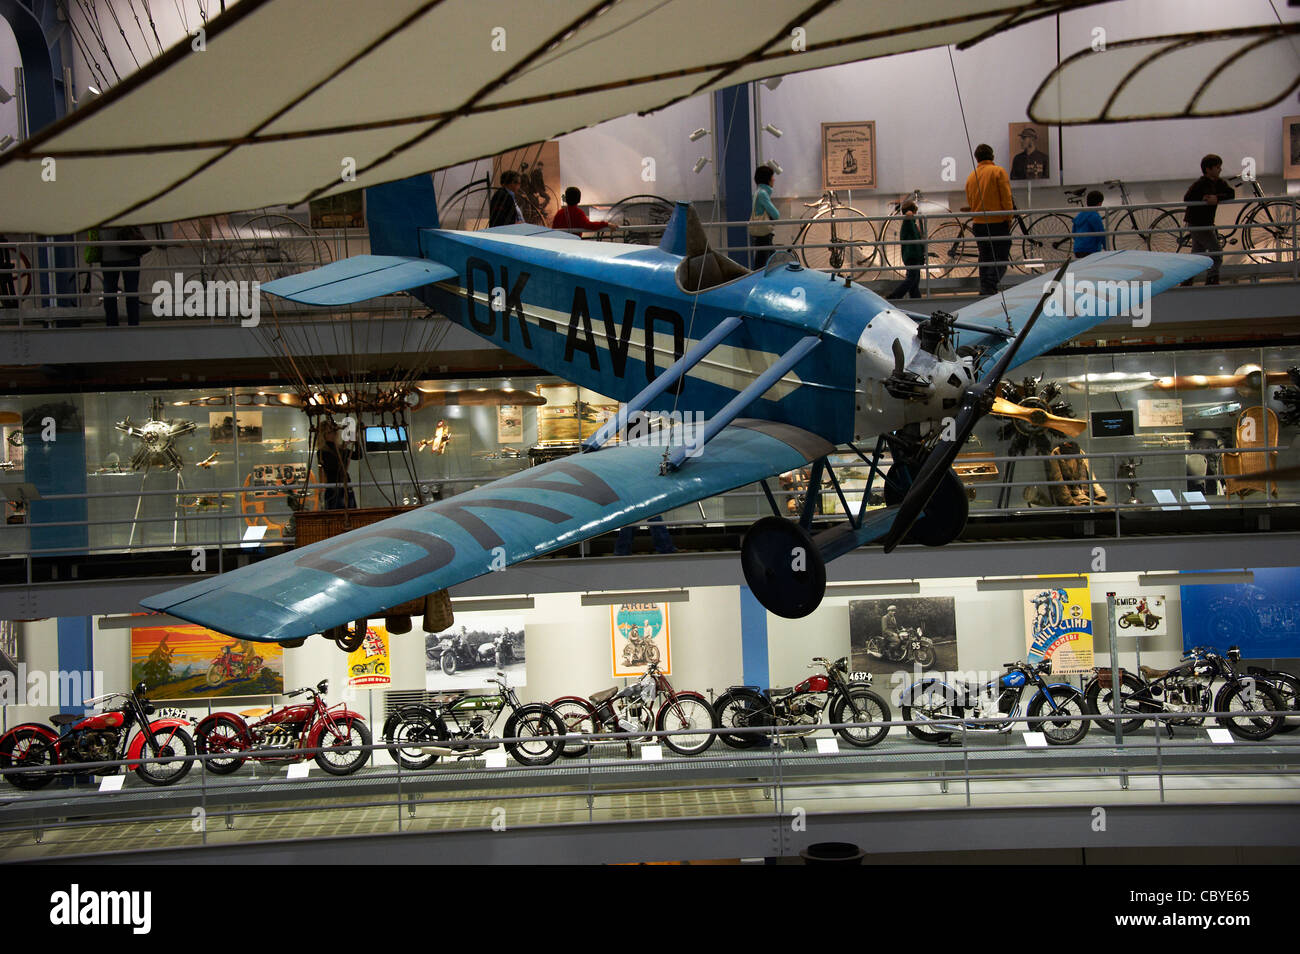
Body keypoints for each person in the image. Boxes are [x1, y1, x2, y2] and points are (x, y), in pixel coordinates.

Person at [964, 144, 1013, 295]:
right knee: (1001, 256)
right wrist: (1008, 216)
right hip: (997, 222)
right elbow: (1006, 197)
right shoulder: (998, 172)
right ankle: (990, 285)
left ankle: (985, 287)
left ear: (976, 158)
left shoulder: (971, 176)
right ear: (992, 155)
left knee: (985, 257)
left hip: (979, 223)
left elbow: (970, 200)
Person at [1181, 153, 1234, 285]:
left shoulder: (1219, 182)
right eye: (1217, 167)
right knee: (1216, 253)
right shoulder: (1200, 184)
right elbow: (1187, 198)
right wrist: (1203, 198)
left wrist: (1216, 198)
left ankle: (1188, 280)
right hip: (1198, 223)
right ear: (1208, 169)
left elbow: (1231, 193)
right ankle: (1212, 278)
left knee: (1197, 255)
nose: (1220, 169)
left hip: (1203, 223)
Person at [100, 225, 147, 326]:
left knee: (110, 291)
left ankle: (111, 325)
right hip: (130, 253)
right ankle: (133, 323)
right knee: (132, 291)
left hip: (108, 254)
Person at [887, 199, 925, 298]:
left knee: (915, 280)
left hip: (912, 255)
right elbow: (908, 214)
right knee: (912, 279)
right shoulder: (909, 221)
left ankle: (916, 298)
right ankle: (895, 296)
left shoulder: (910, 223)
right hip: (912, 255)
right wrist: (909, 213)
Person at [749, 164, 780, 268]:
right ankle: (758, 282)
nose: (774, 179)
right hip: (764, 234)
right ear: (767, 179)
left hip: (762, 234)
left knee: (769, 261)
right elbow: (775, 214)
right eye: (772, 177)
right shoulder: (763, 194)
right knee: (762, 263)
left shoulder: (758, 192)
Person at [1072, 190, 1107, 257]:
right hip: (1091, 249)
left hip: (1078, 249)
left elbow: (1074, 232)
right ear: (1099, 204)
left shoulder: (1080, 214)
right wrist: (1106, 247)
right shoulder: (1094, 215)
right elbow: (1101, 233)